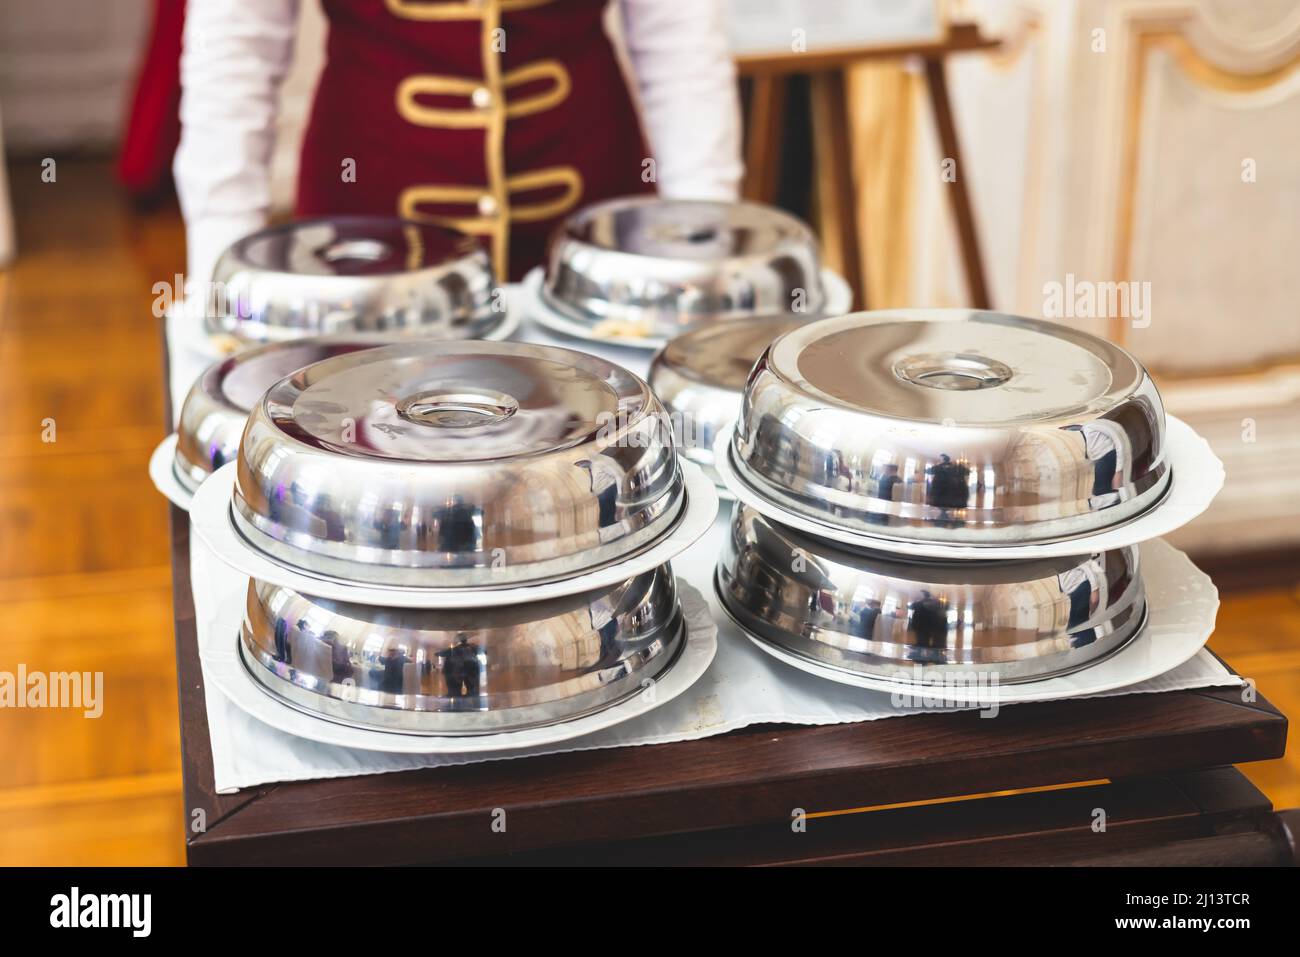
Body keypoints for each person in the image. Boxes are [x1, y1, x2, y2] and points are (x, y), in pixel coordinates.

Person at [173, 0, 743, 287]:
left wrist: (701, 236)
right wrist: (222, 261)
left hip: (585, 231)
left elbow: (679, 31)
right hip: (364, 245)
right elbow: (237, 42)